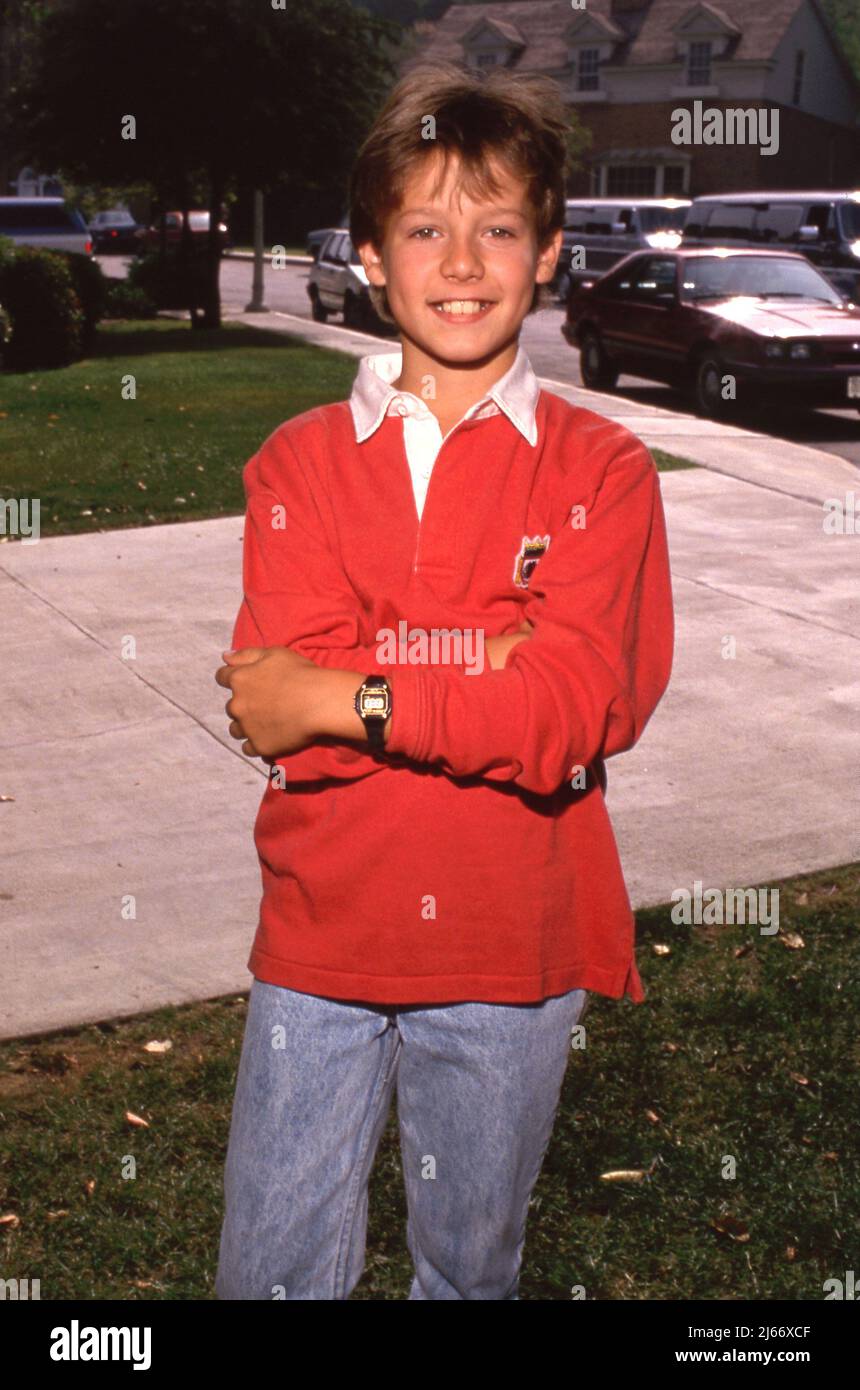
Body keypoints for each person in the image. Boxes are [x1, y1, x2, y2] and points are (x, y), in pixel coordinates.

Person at [213, 60, 674, 1301]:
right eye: (424, 226)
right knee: (268, 1274)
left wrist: (353, 687)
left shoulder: (606, 467)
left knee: (467, 1273)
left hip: (511, 941)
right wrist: (489, 651)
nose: (461, 261)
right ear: (369, 255)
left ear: (548, 256)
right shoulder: (297, 462)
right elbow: (276, 712)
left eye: (497, 229)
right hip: (321, 933)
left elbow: (570, 716)